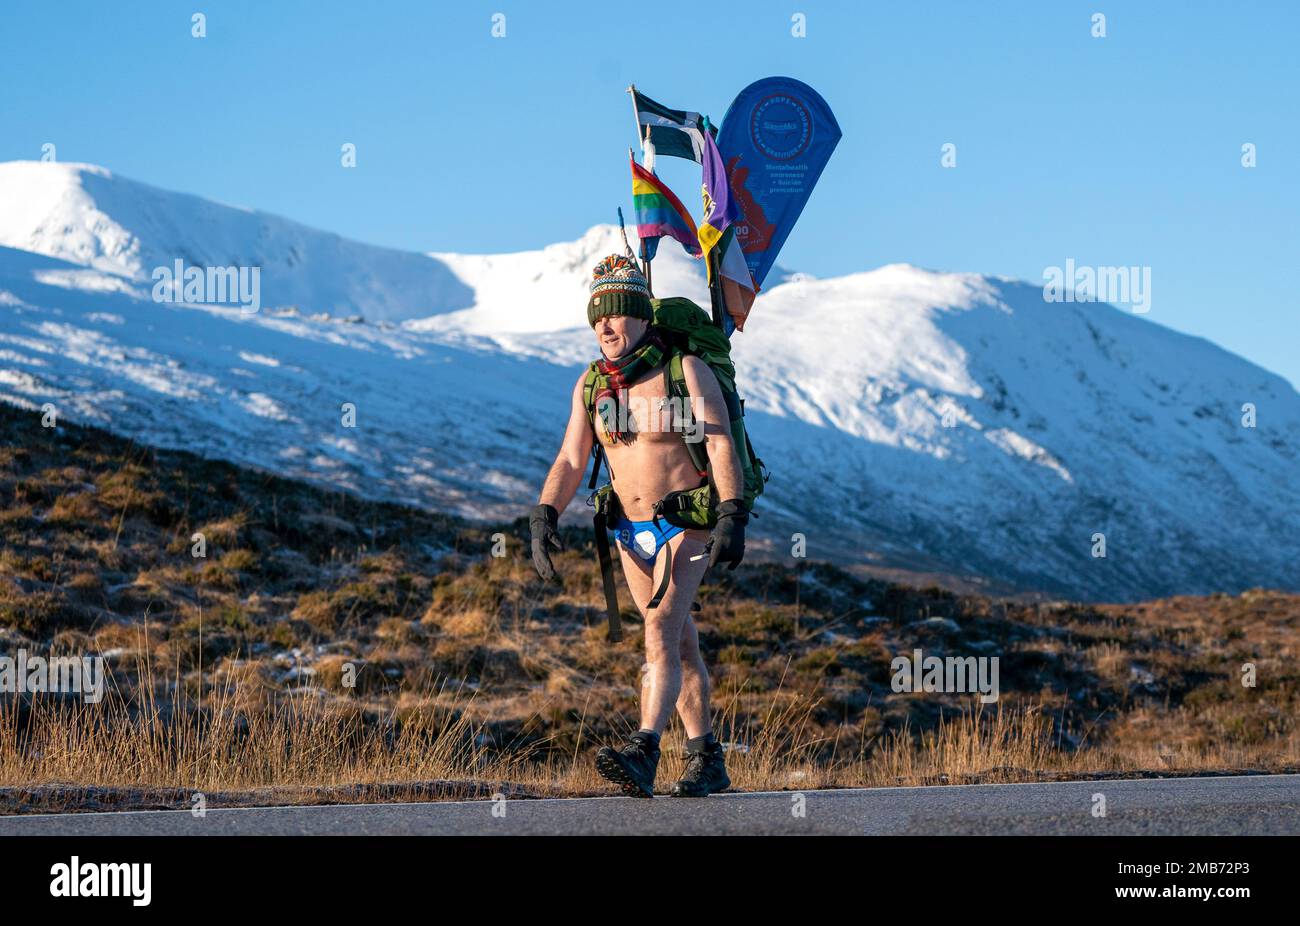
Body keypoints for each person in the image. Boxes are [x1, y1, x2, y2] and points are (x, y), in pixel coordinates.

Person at [529, 254, 749, 798]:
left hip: (686, 522)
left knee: (658, 628)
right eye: (597, 317)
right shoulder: (591, 384)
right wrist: (544, 513)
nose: (606, 326)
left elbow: (719, 442)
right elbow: (570, 459)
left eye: (618, 314)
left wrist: (732, 513)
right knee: (679, 645)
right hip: (631, 531)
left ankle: (644, 749)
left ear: (641, 315)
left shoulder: (684, 370)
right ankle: (708, 760)